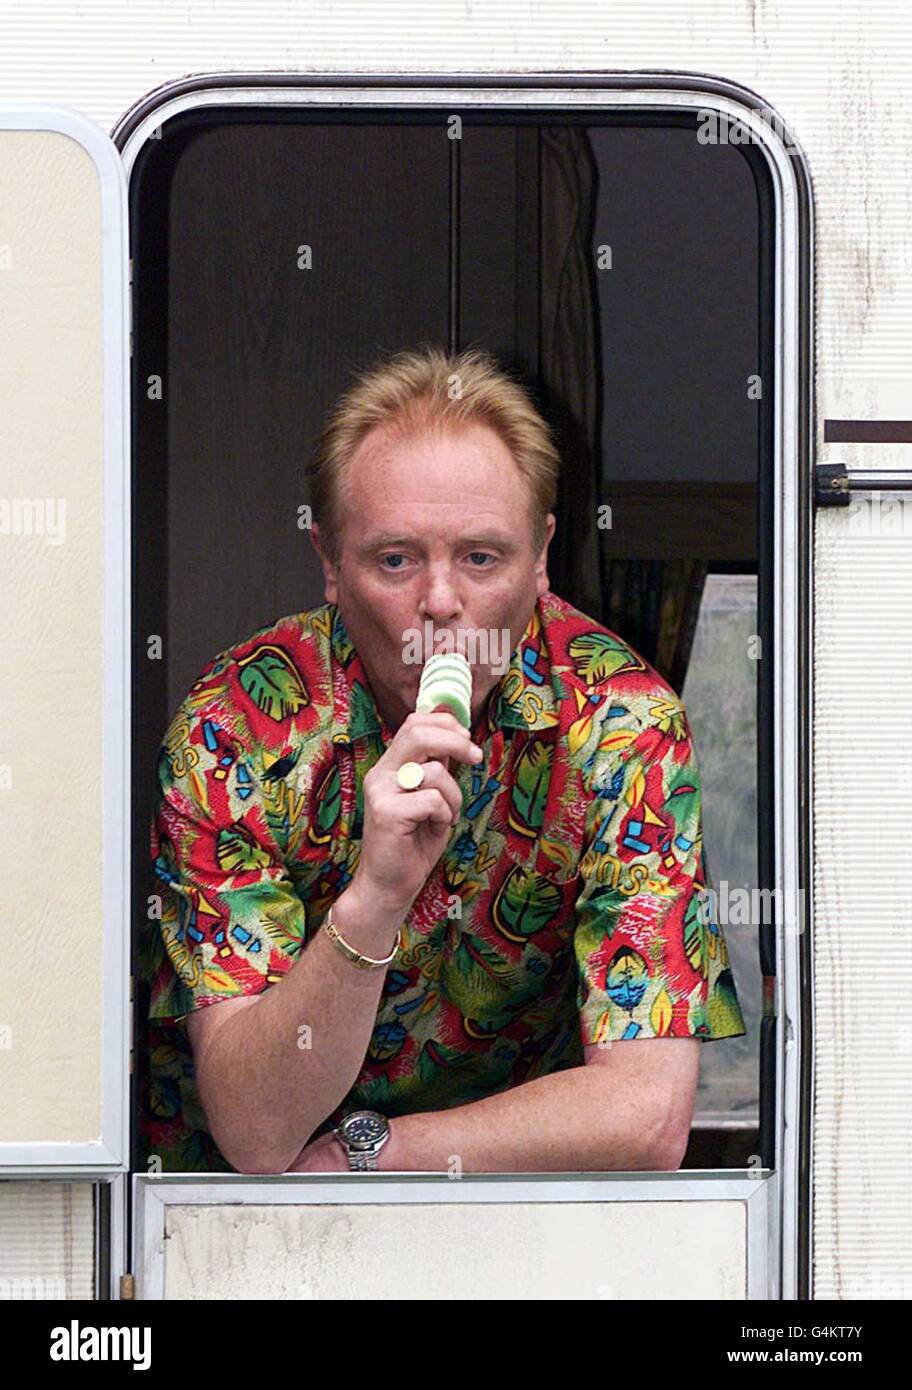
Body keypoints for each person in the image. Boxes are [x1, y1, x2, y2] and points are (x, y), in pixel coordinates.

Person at [138, 344, 746, 1176]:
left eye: (481, 557)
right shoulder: (234, 729)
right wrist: (377, 896)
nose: (441, 601)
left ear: (540, 560)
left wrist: (375, 1156)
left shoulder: (622, 725)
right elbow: (257, 1131)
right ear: (328, 563)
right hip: (233, 1231)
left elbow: (646, 1116)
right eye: (395, 559)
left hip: (508, 1201)